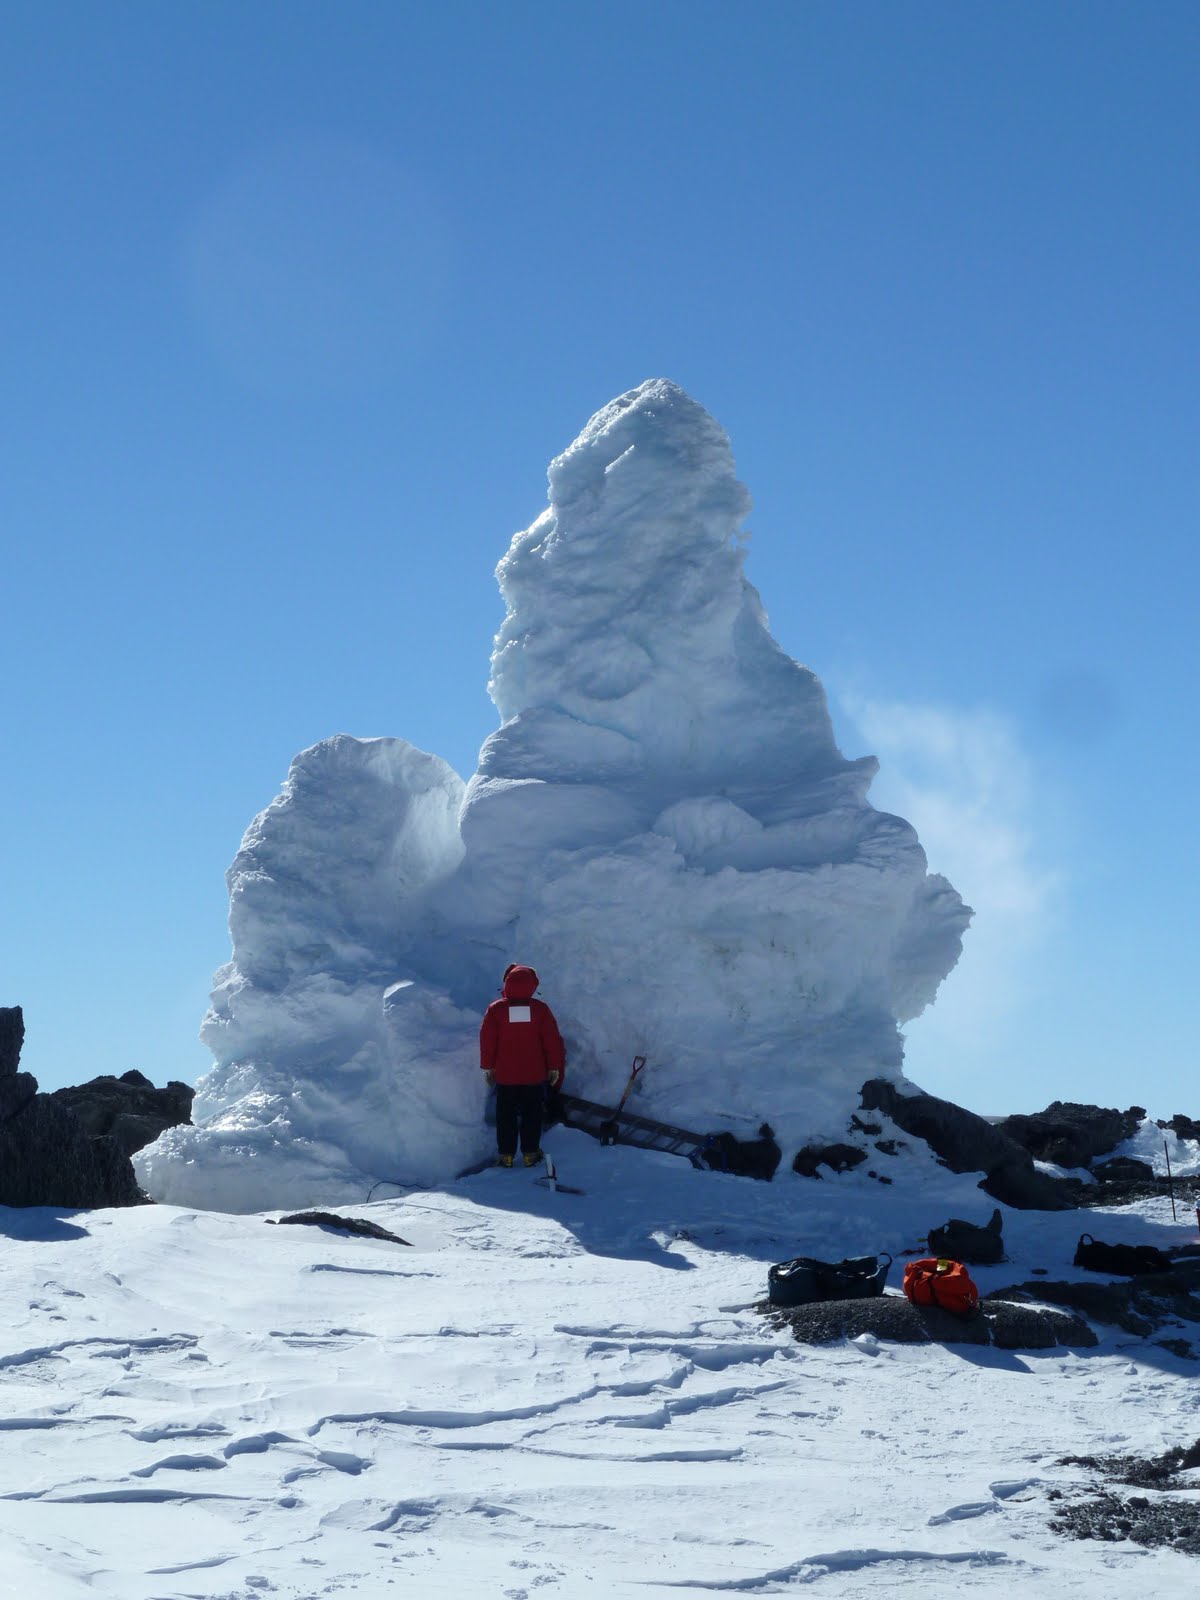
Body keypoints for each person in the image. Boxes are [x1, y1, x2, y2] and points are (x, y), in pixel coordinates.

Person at [479, 963, 565, 1168]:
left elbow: (487, 1040)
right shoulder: (540, 1010)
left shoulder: (496, 1009)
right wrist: (554, 1066)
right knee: (532, 1115)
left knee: (505, 1116)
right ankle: (530, 1154)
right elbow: (552, 1041)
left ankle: (506, 1155)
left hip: (505, 1076)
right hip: (533, 1075)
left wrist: (487, 1066)